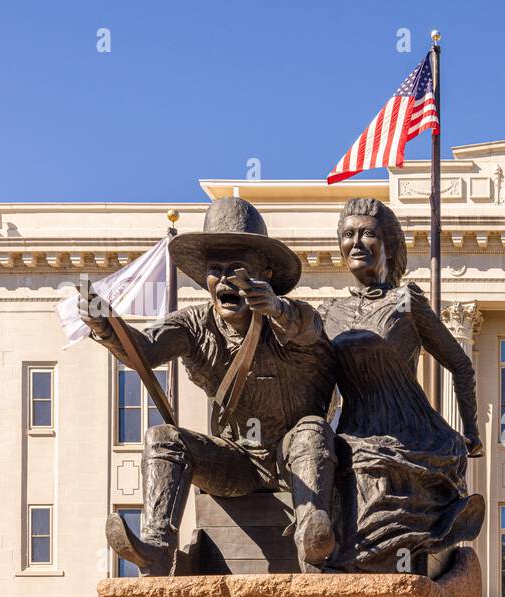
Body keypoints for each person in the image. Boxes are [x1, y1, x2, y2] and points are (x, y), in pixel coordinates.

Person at [79, 196, 338, 574]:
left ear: (264, 274)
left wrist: (277, 309)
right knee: (162, 438)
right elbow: (145, 350)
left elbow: (308, 330)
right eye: (216, 270)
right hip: (237, 462)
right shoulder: (192, 324)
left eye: (239, 269)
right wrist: (105, 324)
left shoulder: (291, 318)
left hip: (293, 459)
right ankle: (156, 546)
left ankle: (311, 539)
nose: (226, 279)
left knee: (311, 431)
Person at [316, 197, 484, 573]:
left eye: (367, 233)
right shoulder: (329, 313)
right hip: (353, 432)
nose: (356, 242)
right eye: (347, 234)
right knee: (336, 468)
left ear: (388, 244)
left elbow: (460, 365)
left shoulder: (406, 302)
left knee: (368, 473)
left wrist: (471, 432)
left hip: (409, 434)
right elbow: (322, 390)